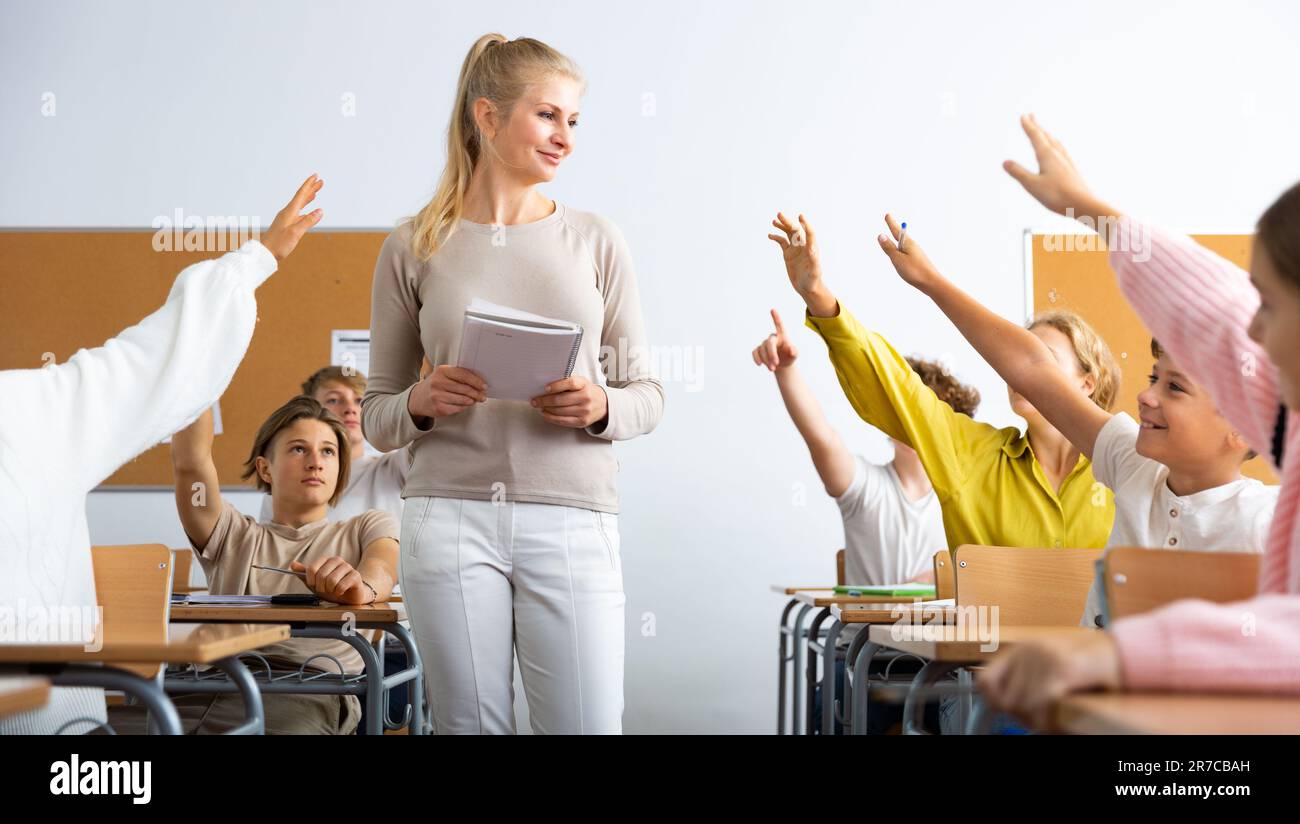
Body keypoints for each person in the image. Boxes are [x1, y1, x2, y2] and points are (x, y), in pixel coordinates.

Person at [362, 34, 663, 734]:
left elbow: (648, 393)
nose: (565, 138)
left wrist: (600, 406)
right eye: (548, 116)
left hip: (574, 517)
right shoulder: (413, 246)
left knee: (585, 726)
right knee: (469, 727)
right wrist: (421, 402)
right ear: (487, 116)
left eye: (574, 121)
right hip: (448, 516)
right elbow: (377, 414)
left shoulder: (597, 240)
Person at [0, 175, 324, 734]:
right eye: (299, 448)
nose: (316, 462)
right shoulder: (29, 414)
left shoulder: (25, 414)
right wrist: (255, 261)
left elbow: (151, 366)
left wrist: (256, 260)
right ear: (266, 467)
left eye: (325, 451)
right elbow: (164, 386)